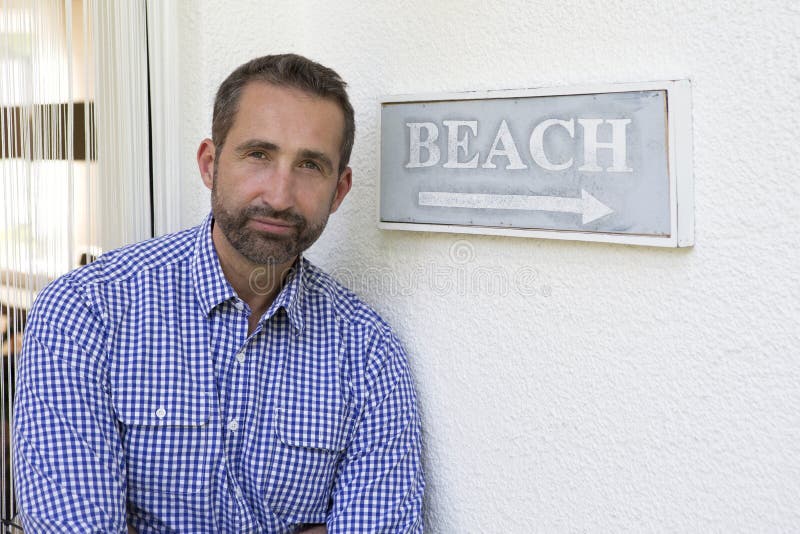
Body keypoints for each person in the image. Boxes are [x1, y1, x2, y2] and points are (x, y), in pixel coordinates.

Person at [13, 54, 424, 533]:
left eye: (310, 165)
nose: (279, 194)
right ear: (210, 164)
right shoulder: (86, 313)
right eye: (258, 155)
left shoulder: (369, 352)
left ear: (339, 190)